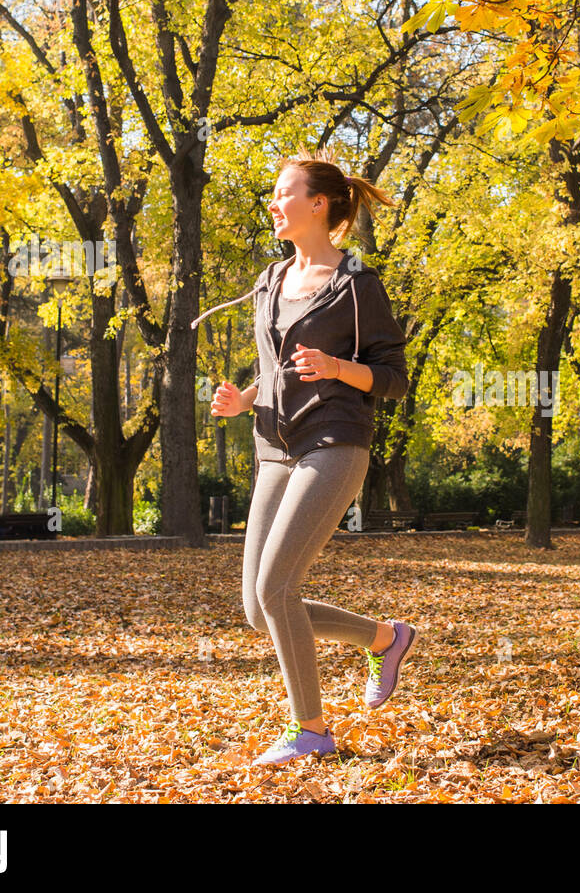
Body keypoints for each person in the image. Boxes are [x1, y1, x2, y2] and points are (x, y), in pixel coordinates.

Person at [197, 150, 417, 765]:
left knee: (276, 588)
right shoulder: (269, 281)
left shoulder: (355, 285)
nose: (273, 203)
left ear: (318, 205)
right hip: (274, 447)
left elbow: (393, 378)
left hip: (335, 443)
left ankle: (311, 730)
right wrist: (243, 400)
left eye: (283, 192)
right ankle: (385, 637)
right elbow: (276, 374)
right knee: (257, 607)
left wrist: (337, 368)